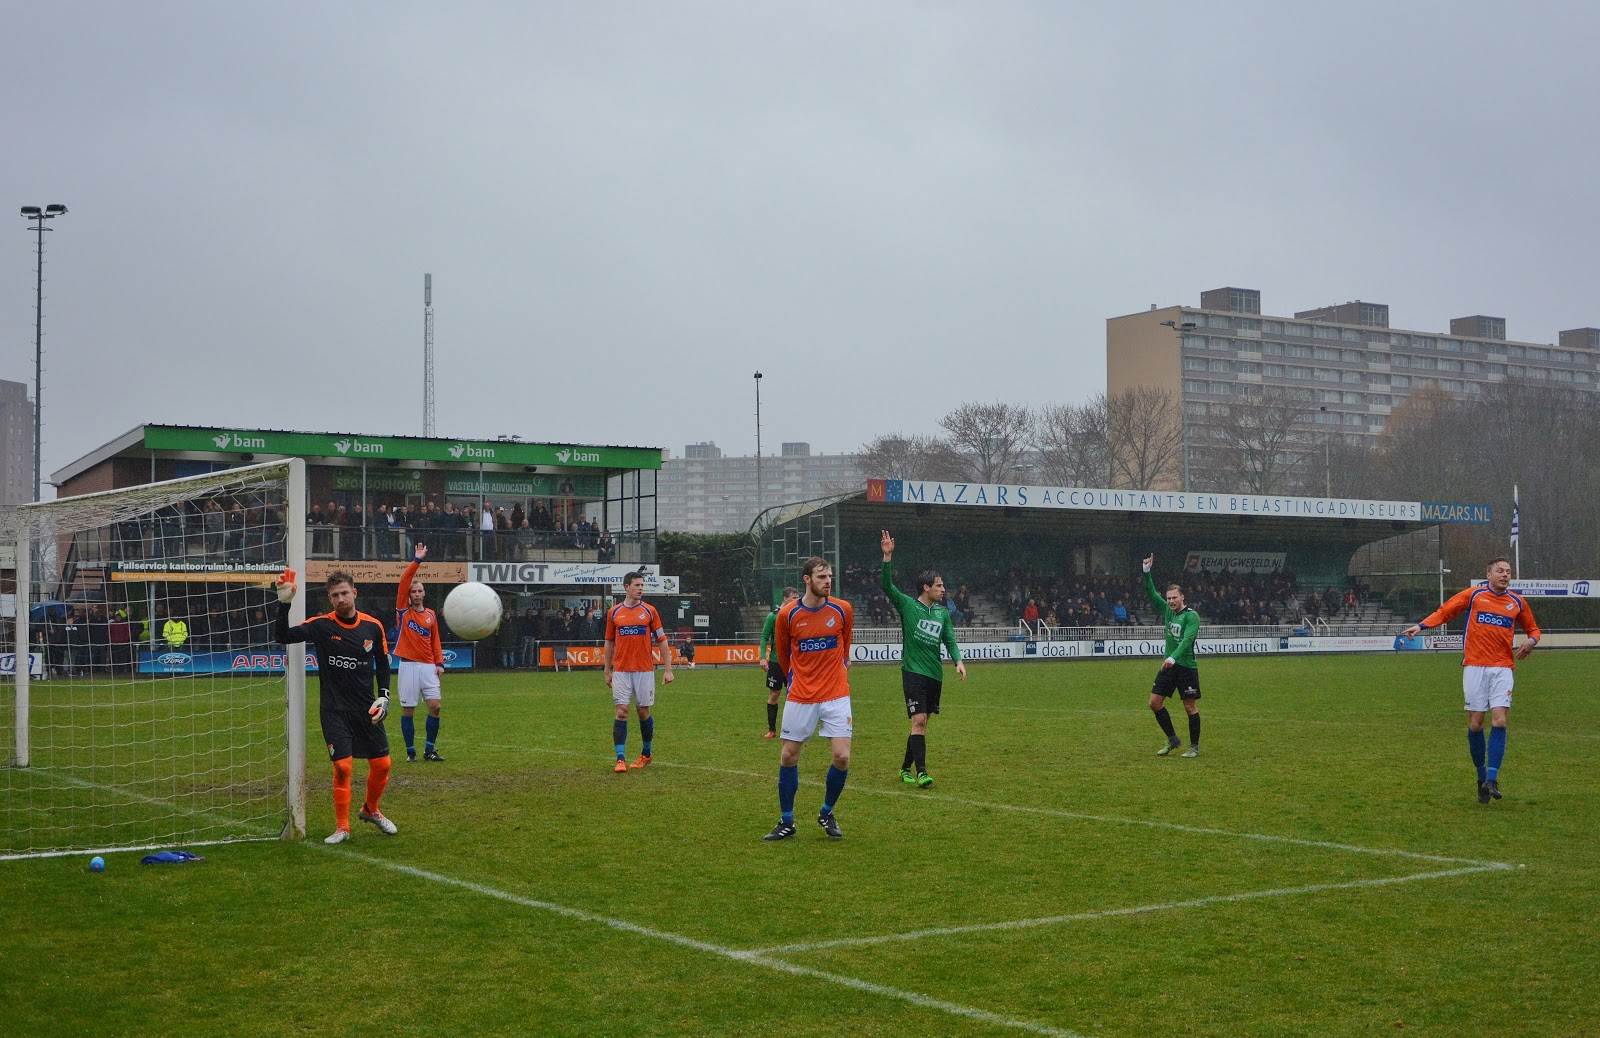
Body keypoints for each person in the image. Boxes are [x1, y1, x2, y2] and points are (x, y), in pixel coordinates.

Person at [1402, 557, 1540, 804]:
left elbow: (1533, 629)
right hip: (1474, 666)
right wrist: (1422, 626)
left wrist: (1532, 641)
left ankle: (1493, 778)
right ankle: (1481, 778)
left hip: (1502, 669)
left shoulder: (1517, 602)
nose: (1505, 575)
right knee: (1476, 725)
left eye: (1508, 571)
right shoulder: (1474, 596)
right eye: (1500, 570)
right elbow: (1447, 611)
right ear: (1488, 574)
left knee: (1499, 720)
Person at [274, 568, 397, 843]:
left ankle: (371, 809)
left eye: (344, 593)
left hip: (367, 709)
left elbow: (383, 662)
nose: (340, 599)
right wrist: (284, 603)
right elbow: (282, 636)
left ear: (354, 593)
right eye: (334, 595)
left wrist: (385, 696)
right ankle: (342, 827)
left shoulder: (372, 627)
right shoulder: (321, 626)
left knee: (383, 765)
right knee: (343, 767)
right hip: (334, 710)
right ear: (330, 599)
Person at [763, 556, 853, 841]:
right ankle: (787, 821)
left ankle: (826, 812)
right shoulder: (787, 615)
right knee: (789, 756)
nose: (828, 582)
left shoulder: (842, 610)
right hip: (801, 695)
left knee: (842, 757)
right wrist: (797, 681)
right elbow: (784, 654)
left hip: (836, 694)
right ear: (807, 579)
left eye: (829, 577)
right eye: (821, 577)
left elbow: (845, 648)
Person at [879, 531, 966, 787]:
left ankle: (905, 768)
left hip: (934, 675)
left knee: (922, 722)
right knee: (918, 720)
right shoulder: (907, 605)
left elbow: (949, 640)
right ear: (926, 587)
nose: (943, 589)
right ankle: (922, 773)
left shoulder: (942, 614)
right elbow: (887, 586)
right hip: (913, 672)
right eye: (939, 585)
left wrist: (958, 661)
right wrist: (887, 557)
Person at [603, 571, 673, 772]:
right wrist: (607, 671)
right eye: (637, 585)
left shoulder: (650, 611)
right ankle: (620, 758)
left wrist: (668, 669)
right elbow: (609, 642)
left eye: (642, 585)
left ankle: (646, 753)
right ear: (627, 587)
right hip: (622, 671)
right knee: (621, 712)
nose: (641, 588)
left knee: (643, 712)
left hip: (644, 670)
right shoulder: (614, 613)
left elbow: (662, 640)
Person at [1142, 555, 1202, 758]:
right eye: (1168, 598)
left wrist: (1173, 658)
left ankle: (1194, 747)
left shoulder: (1191, 616)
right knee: (1154, 703)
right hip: (1169, 666)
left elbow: (1187, 641)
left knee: (1189, 706)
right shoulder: (1168, 611)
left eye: (1174, 598)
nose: (1170, 601)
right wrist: (1146, 572)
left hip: (1185, 666)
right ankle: (1173, 739)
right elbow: (1151, 594)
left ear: (1182, 597)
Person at [394, 544, 446, 762]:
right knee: (409, 710)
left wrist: (440, 662)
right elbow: (404, 581)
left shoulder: (431, 615)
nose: (416, 594)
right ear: (409, 594)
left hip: (428, 667)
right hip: (407, 666)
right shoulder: (403, 612)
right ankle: (410, 751)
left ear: (424, 593)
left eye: (419, 591)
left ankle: (429, 749)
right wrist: (417, 560)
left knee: (435, 706)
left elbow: (435, 641)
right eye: (413, 591)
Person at [756, 587, 799, 738]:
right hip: (775, 662)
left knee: (794, 695)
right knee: (774, 694)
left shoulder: (796, 615)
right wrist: (762, 657)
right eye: (793, 598)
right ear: (785, 598)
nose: (796, 601)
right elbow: (764, 637)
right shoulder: (773, 616)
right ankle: (772, 729)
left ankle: (791, 729)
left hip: (793, 662)